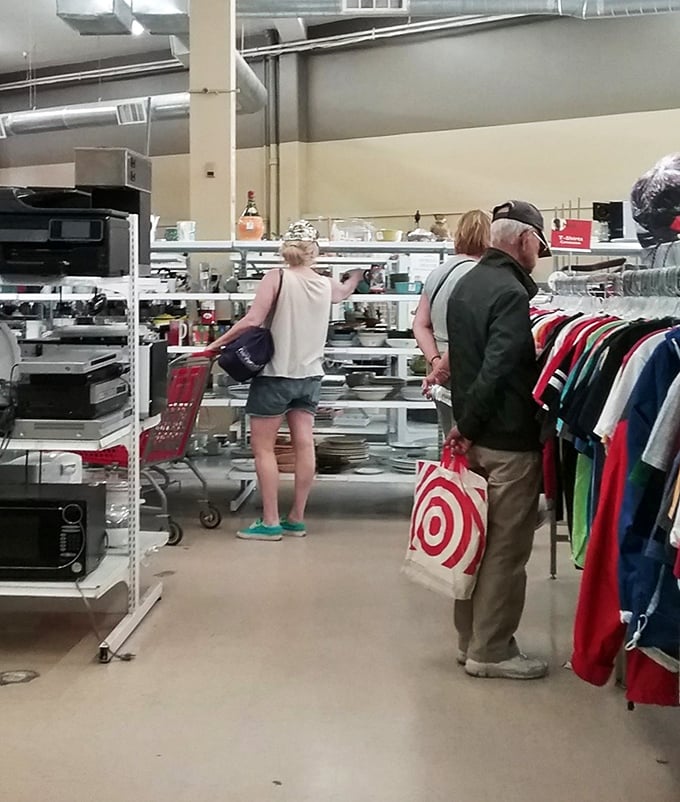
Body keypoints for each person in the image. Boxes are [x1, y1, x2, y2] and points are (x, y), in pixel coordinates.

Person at [444, 200, 551, 680]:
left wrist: (464, 423)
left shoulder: (468, 284)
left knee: (475, 544)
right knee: (507, 551)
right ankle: (494, 651)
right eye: (539, 244)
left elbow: (464, 362)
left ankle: (470, 641)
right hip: (506, 437)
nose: (538, 252)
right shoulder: (510, 292)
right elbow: (499, 365)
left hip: (477, 435)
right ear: (525, 239)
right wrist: (470, 423)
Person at [207, 220, 363, 541]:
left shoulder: (276, 278)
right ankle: (296, 518)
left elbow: (252, 320)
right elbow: (346, 290)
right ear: (314, 251)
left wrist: (214, 346)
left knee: (264, 449)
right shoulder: (325, 284)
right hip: (310, 378)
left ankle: (270, 521)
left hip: (275, 376)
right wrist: (358, 272)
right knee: (304, 444)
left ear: (284, 249)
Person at [413, 209, 490, 432]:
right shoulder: (481, 275)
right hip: (467, 364)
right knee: (470, 442)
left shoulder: (438, 272)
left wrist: (436, 362)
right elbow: (468, 330)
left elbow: (420, 324)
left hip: (438, 365)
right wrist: (446, 364)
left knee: (448, 437)